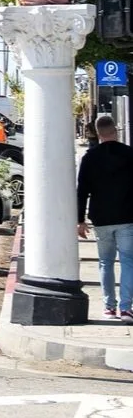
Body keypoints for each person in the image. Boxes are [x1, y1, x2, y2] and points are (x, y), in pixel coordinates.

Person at [77, 113, 133, 319]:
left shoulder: (90, 158)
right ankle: (126, 308)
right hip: (127, 216)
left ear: (98, 134)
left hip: (100, 218)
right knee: (128, 261)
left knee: (105, 262)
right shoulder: (129, 155)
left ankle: (109, 307)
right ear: (115, 131)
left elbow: (81, 190)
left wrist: (80, 220)